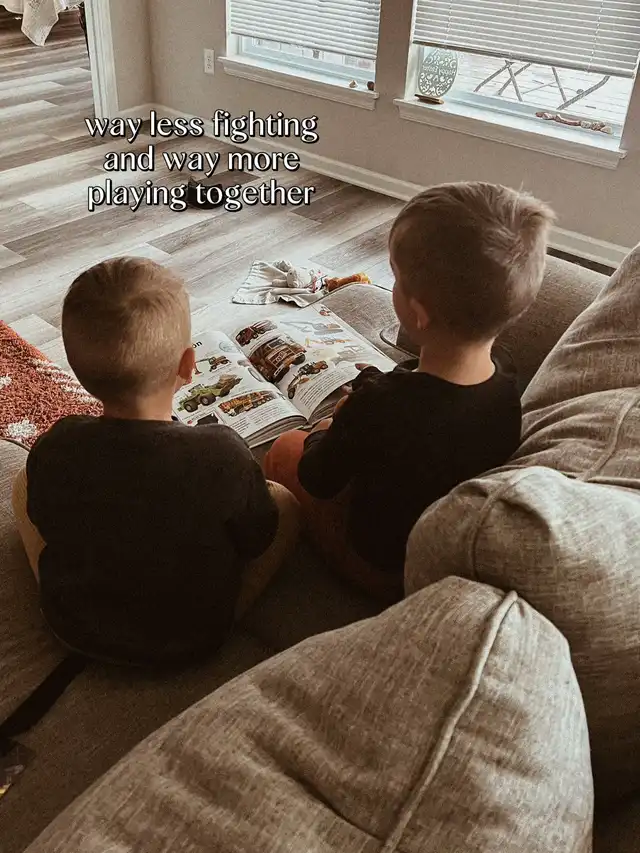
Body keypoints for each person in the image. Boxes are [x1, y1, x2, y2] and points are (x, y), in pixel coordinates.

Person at [265, 182, 555, 601]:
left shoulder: (381, 404)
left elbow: (318, 478)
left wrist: (333, 426)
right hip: (436, 544)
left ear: (417, 313)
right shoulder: (506, 376)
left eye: (395, 278)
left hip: (382, 566)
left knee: (287, 447)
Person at [11, 258, 299, 666]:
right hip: (195, 639)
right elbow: (258, 535)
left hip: (73, 629)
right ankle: (229, 611)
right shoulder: (223, 454)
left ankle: (57, 591)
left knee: (23, 482)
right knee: (284, 502)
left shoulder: (59, 444)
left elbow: (43, 514)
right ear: (188, 365)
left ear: (76, 370)